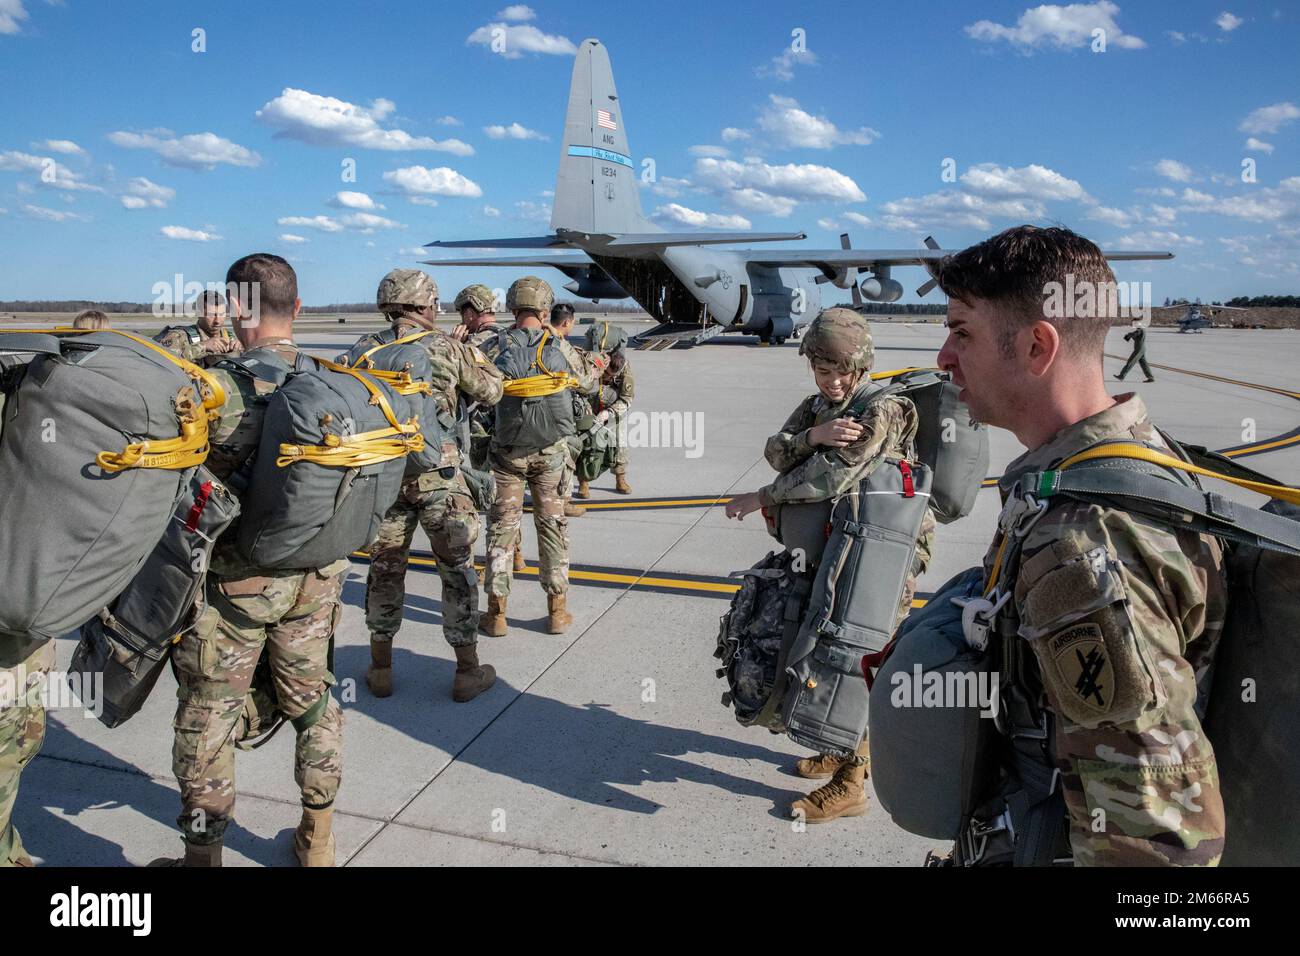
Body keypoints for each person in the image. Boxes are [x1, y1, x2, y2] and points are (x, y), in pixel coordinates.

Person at [934, 224, 1226, 866]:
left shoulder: (1085, 542)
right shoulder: (1130, 460)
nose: (943, 359)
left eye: (962, 333)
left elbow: (1155, 833)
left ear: (1038, 346)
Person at [152, 254, 346, 867]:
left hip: (234, 587)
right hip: (318, 577)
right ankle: (317, 839)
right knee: (313, 699)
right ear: (297, 305)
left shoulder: (218, 390)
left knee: (208, 713)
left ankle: (202, 858)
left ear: (239, 308)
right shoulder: (334, 382)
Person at [724, 307, 933, 823]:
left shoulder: (883, 410)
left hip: (875, 560)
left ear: (862, 366)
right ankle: (837, 744)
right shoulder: (817, 407)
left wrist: (763, 496)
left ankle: (852, 782)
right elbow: (777, 450)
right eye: (823, 371)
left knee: (854, 659)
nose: (834, 381)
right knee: (820, 653)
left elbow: (831, 477)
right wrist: (811, 438)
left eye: (843, 371)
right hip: (830, 553)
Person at [354, 270, 503, 702]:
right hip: (441, 477)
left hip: (385, 479)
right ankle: (466, 671)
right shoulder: (445, 346)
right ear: (424, 306)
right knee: (456, 573)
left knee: (384, 570)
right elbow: (492, 392)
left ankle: (380, 669)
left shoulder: (362, 351)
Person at [480, 277, 600, 637]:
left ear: (513, 308)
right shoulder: (560, 347)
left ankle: (497, 615)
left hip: (507, 456)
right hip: (551, 455)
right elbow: (590, 383)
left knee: (502, 531)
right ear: (546, 309)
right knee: (553, 529)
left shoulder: (493, 346)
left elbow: (473, 387)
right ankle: (556, 612)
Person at [450, 283, 529, 571]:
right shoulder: (509, 338)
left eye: (462, 312)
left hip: (480, 430)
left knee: (480, 493)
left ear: (471, 311)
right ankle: (516, 551)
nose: (461, 318)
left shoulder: (474, 344)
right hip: (512, 426)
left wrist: (453, 345)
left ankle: (483, 560)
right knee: (507, 497)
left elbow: (452, 380)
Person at [576, 319, 635, 498]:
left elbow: (627, 398)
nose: (609, 378)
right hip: (588, 407)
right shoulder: (590, 363)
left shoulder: (625, 368)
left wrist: (609, 413)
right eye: (607, 374)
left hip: (612, 410)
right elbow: (577, 389)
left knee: (620, 443)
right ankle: (583, 482)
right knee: (584, 444)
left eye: (613, 376)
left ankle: (620, 478)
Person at [548, 302, 591, 518]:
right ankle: (563, 501)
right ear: (567, 322)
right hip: (557, 411)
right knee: (566, 455)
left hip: (527, 410)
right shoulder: (560, 344)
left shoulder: (535, 335)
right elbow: (584, 382)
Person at [155, 290, 241, 366]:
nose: (217, 321)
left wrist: (241, 349)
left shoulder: (230, 337)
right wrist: (202, 346)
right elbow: (162, 361)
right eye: (211, 315)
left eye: (222, 314)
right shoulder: (179, 337)